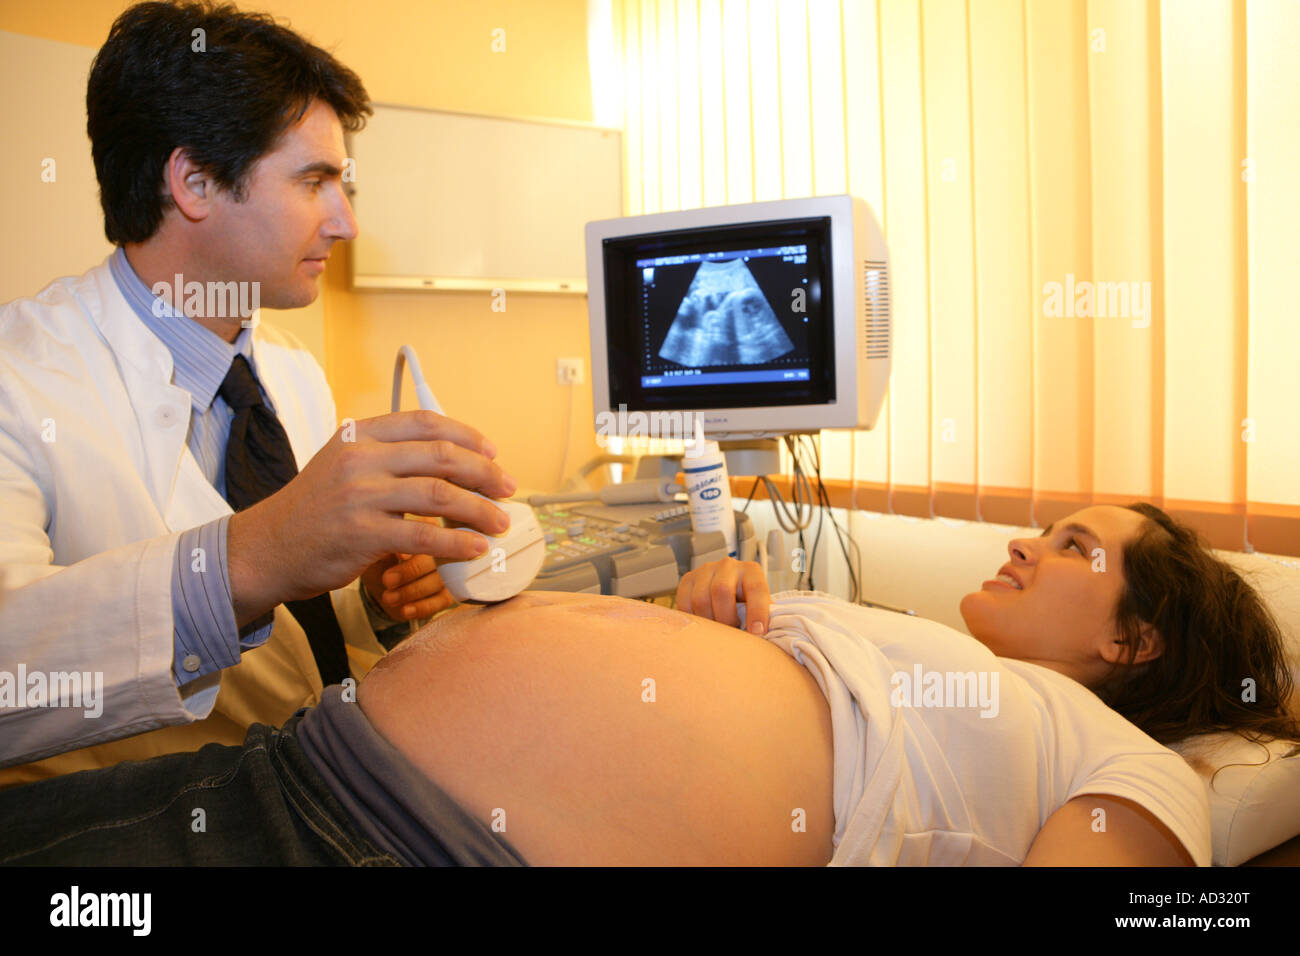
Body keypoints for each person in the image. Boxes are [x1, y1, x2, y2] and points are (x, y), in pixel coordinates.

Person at [2, 503, 1294, 865]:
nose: (1025, 540)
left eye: (1076, 547)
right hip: (286, 770)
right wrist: (722, 628)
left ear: (1134, 645)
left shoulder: (1116, 758)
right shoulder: (896, 635)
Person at [0, 1, 514, 781]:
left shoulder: (290, 373)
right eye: (316, 181)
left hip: (326, 781)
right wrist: (260, 553)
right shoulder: (19, 377)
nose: (345, 223)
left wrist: (374, 596)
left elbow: (298, 639)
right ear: (194, 182)